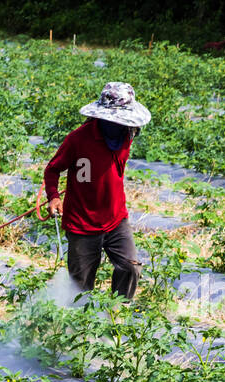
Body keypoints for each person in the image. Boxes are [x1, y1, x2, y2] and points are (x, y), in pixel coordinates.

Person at [40, 81, 151, 301]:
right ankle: (79, 329)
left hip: (116, 218)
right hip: (82, 223)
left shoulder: (127, 135)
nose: (122, 124)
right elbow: (52, 170)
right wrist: (53, 197)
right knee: (79, 287)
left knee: (130, 268)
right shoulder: (78, 139)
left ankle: (117, 314)